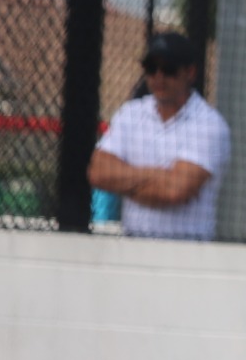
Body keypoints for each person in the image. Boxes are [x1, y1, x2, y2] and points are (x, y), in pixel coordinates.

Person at [87, 32, 231, 240]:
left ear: (190, 73)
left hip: (188, 252)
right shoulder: (131, 113)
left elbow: (175, 192)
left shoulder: (209, 124)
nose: (158, 77)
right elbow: (98, 173)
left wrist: (124, 182)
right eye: (151, 69)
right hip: (133, 246)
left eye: (169, 69)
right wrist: (158, 174)